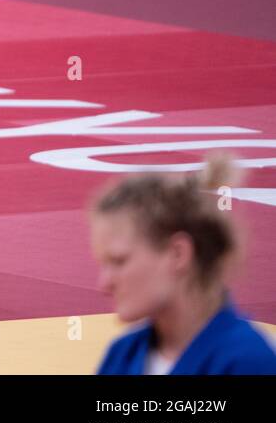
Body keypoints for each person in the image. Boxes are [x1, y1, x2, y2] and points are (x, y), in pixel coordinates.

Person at [92, 155, 276, 374]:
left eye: (119, 261)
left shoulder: (248, 363)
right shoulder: (121, 355)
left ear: (178, 254)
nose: (104, 284)